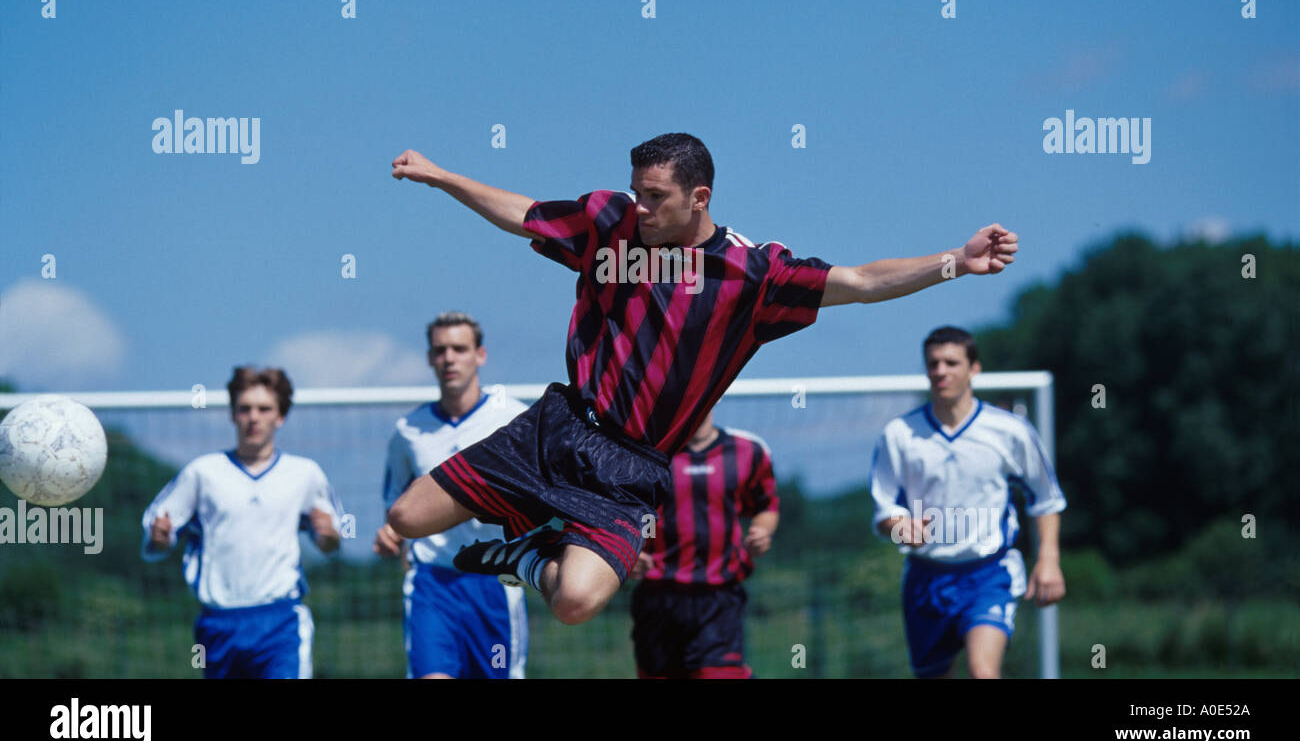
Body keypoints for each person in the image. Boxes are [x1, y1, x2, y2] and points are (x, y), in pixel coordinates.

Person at [386, 132, 1019, 627]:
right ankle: (532, 530)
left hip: (629, 468)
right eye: (637, 191)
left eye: (655, 196)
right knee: (408, 516)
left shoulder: (752, 276)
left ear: (700, 198)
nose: (642, 206)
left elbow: (858, 281)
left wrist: (955, 263)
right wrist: (441, 177)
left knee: (574, 602)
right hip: (556, 428)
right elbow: (524, 213)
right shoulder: (610, 225)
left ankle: (522, 554)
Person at [870, 326, 1066, 679]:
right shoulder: (899, 435)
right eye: (933, 364)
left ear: (974, 368)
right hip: (925, 579)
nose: (940, 371)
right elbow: (884, 512)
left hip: (989, 573)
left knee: (982, 672)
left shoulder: (1010, 431)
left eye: (951, 362)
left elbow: (1046, 498)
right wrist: (900, 527)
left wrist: (1048, 560)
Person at [141, 367, 343, 679]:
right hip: (219, 625)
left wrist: (328, 535)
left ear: (281, 416)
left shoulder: (305, 474)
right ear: (233, 414)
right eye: (245, 408)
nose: (254, 417)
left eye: (264, 409)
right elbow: (157, 537)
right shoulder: (203, 473)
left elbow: (331, 542)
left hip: (281, 622)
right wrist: (160, 537)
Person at [373, 312, 530, 678]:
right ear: (430, 358)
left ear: (480, 355)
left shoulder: (515, 420)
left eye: (459, 349)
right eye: (440, 350)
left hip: (496, 583)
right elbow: (395, 504)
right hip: (433, 584)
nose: (449, 358)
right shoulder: (408, 431)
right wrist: (390, 534)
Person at [629, 407, 778, 678]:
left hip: (718, 595)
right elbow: (637, 512)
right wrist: (635, 548)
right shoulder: (650, 452)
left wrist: (761, 531)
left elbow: (766, 505)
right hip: (659, 596)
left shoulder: (748, 451)